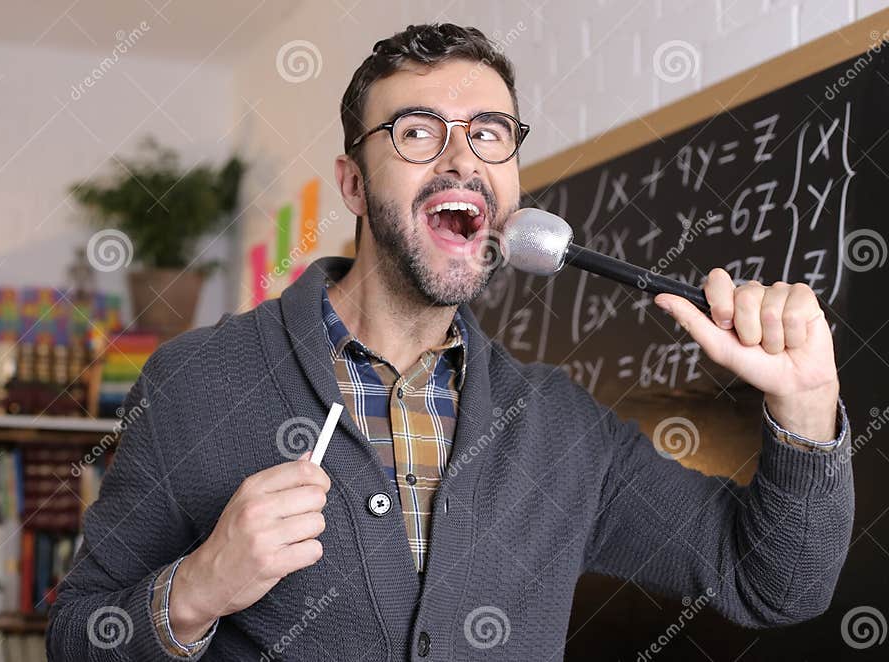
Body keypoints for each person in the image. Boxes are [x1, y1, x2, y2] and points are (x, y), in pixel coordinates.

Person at [47, 23, 852, 661]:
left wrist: (808, 404)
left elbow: (776, 583)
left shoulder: (562, 431)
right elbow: (79, 635)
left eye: (491, 133)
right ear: (354, 184)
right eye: (417, 132)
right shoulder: (197, 381)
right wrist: (195, 591)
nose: (462, 158)